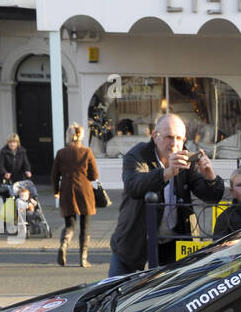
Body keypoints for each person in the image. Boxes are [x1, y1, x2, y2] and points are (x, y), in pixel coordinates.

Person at [108, 113, 224, 276]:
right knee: (117, 294)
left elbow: (212, 197)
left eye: (179, 138)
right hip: (134, 240)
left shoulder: (186, 159)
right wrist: (167, 172)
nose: (174, 144)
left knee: (170, 297)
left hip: (172, 243)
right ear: (155, 136)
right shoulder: (137, 155)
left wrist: (210, 176)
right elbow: (134, 186)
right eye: (169, 137)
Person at [51, 123, 100, 267]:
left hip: (67, 190)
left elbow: (54, 175)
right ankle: (83, 258)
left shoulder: (61, 153)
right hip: (85, 191)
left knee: (70, 224)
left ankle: (64, 244)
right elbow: (94, 175)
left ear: (68, 136)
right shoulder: (87, 152)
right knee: (85, 226)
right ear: (81, 136)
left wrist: (56, 191)